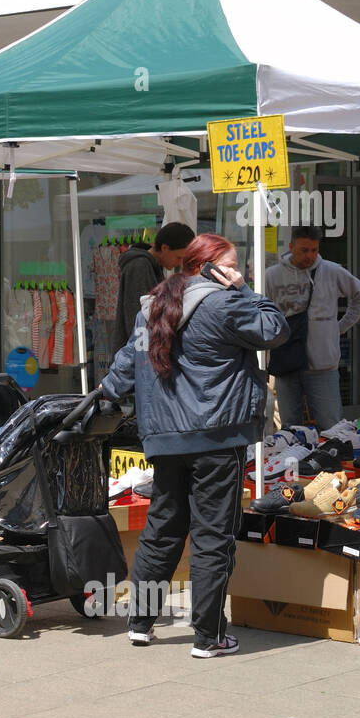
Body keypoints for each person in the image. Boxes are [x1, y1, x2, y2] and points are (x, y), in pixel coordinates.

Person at [101, 233, 289, 659]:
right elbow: (276, 329)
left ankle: (140, 623)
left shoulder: (152, 305)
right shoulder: (226, 303)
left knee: (163, 526)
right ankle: (208, 636)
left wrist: (103, 394)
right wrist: (245, 290)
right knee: (212, 535)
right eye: (233, 264)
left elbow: (127, 365)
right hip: (217, 436)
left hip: (165, 438)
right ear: (210, 266)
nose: (239, 271)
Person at [265, 225, 360, 429]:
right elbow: (263, 309)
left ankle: (330, 459)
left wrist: (342, 325)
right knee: (290, 427)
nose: (310, 255)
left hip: (322, 363)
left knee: (331, 426)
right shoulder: (272, 275)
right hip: (287, 360)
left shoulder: (331, 270)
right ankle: (294, 459)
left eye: (314, 250)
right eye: (304, 250)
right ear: (291, 247)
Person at [112, 221, 194, 348]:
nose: (180, 264)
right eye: (178, 257)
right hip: (139, 352)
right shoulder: (140, 266)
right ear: (164, 248)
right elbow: (136, 317)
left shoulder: (152, 265)